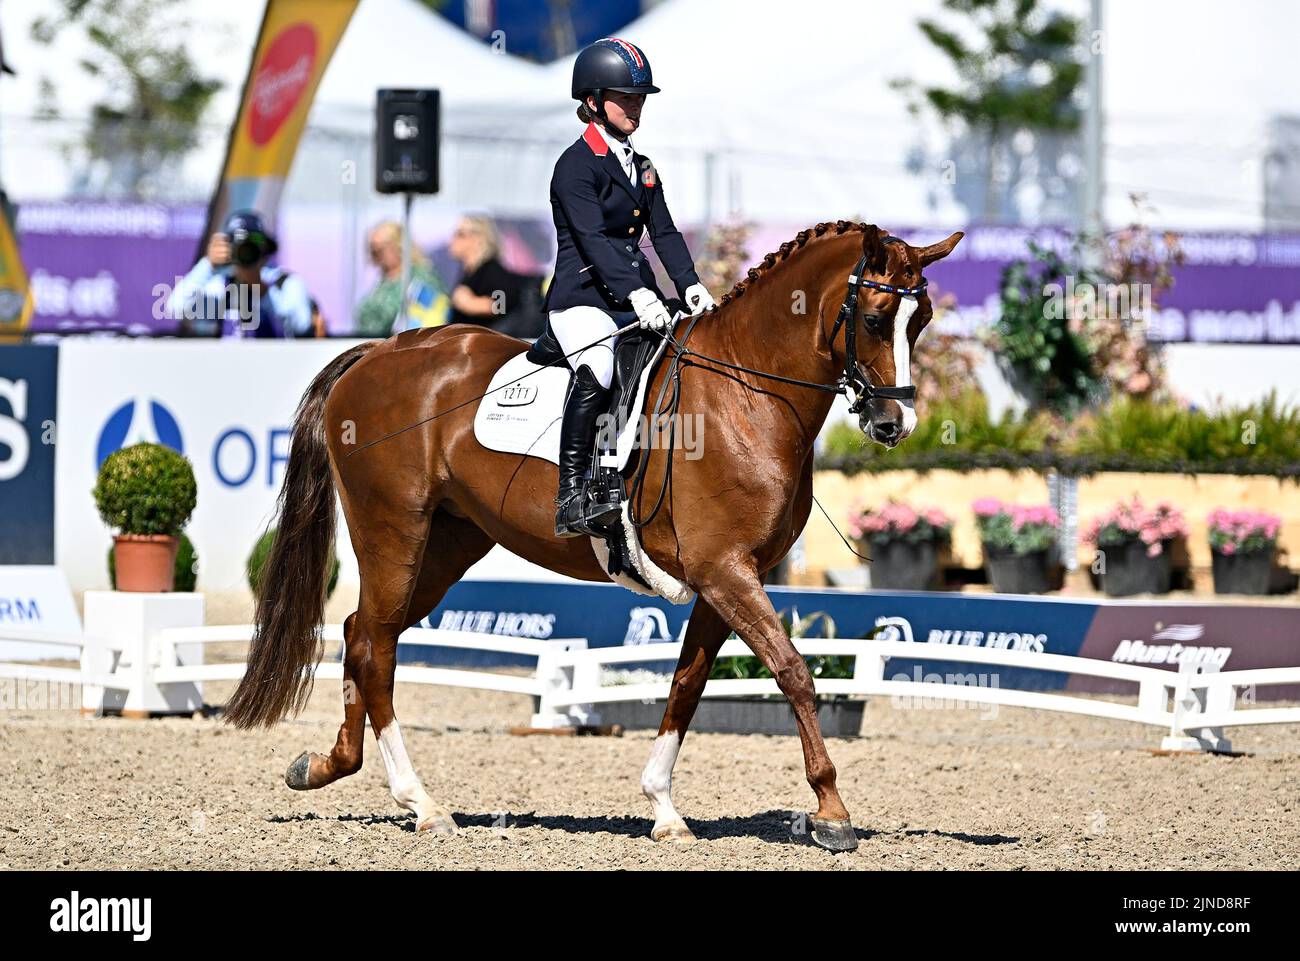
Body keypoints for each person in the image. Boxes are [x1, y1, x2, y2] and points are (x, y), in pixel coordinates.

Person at [546, 37, 715, 537]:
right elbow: (592, 240)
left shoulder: (643, 168)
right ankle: (572, 493)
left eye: (640, 98)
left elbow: (663, 232)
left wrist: (690, 287)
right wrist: (637, 293)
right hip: (582, 298)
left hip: (635, 296)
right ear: (594, 101)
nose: (636, 107)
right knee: (598, 367)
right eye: (625, 97)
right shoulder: (575, 166)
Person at [168, 210, 313, 338]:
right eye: (240, 245)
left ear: (265, 247)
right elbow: (176, 307)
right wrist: (208, 264)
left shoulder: (285, 282)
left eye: (253, 243)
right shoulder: (222, 287)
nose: (246, 251)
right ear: (228, 249)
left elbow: (301, 325)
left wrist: (262, 292)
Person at [446, 214, 543, 337]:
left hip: (488, 348)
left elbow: (502, 304)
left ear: (479, 239)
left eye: (460, 234)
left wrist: (470, 303)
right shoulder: (470, 272)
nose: (452, 239)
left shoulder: (491, 270)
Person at [354, 220, 449, 336]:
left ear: (399, 246)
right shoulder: (383, 281)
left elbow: (435, 317)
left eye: (381, 249)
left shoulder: (420, 276)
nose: (376, 254)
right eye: (373, 249)